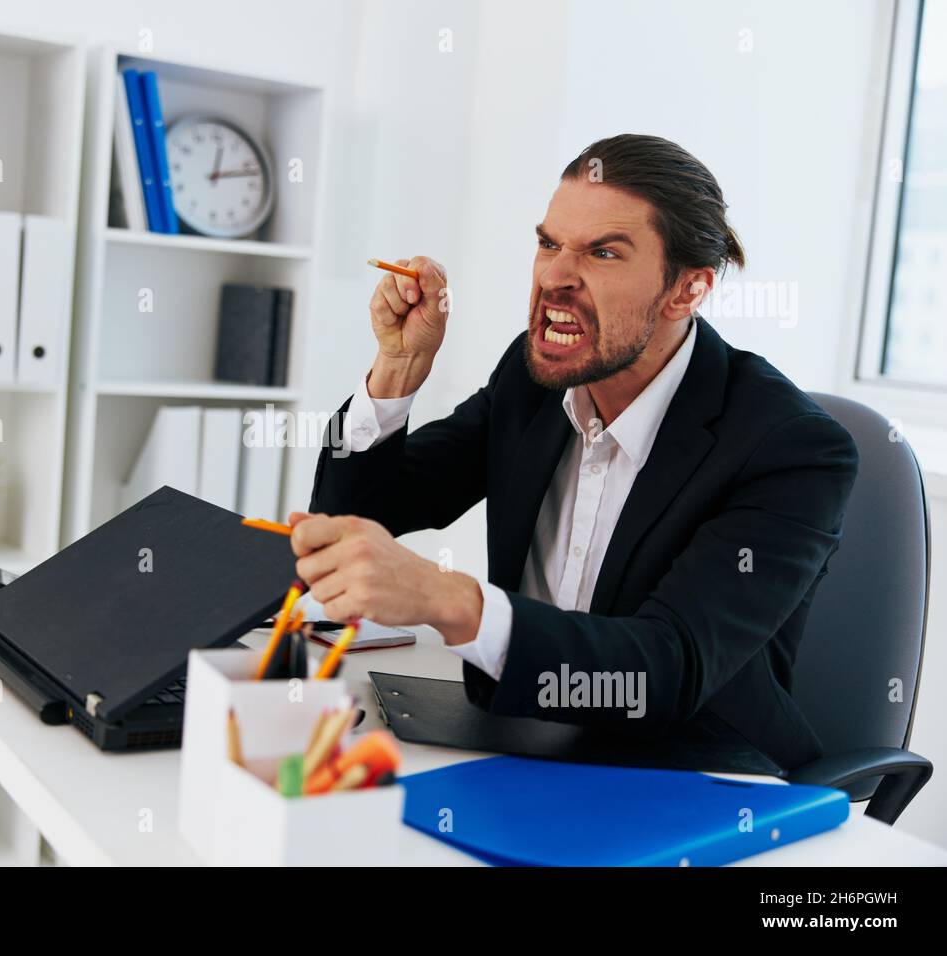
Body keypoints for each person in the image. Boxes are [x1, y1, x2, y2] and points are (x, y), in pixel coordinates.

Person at [293, 134, 858, 769]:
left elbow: (662, 670)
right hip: (522, 741)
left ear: (686, 291)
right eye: (548, 244)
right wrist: (396, 369)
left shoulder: (792, 448)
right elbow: (355, 513)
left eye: (603, 252)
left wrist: (446, 598)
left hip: (697, 776)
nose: (555, 277)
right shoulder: (536, 379)